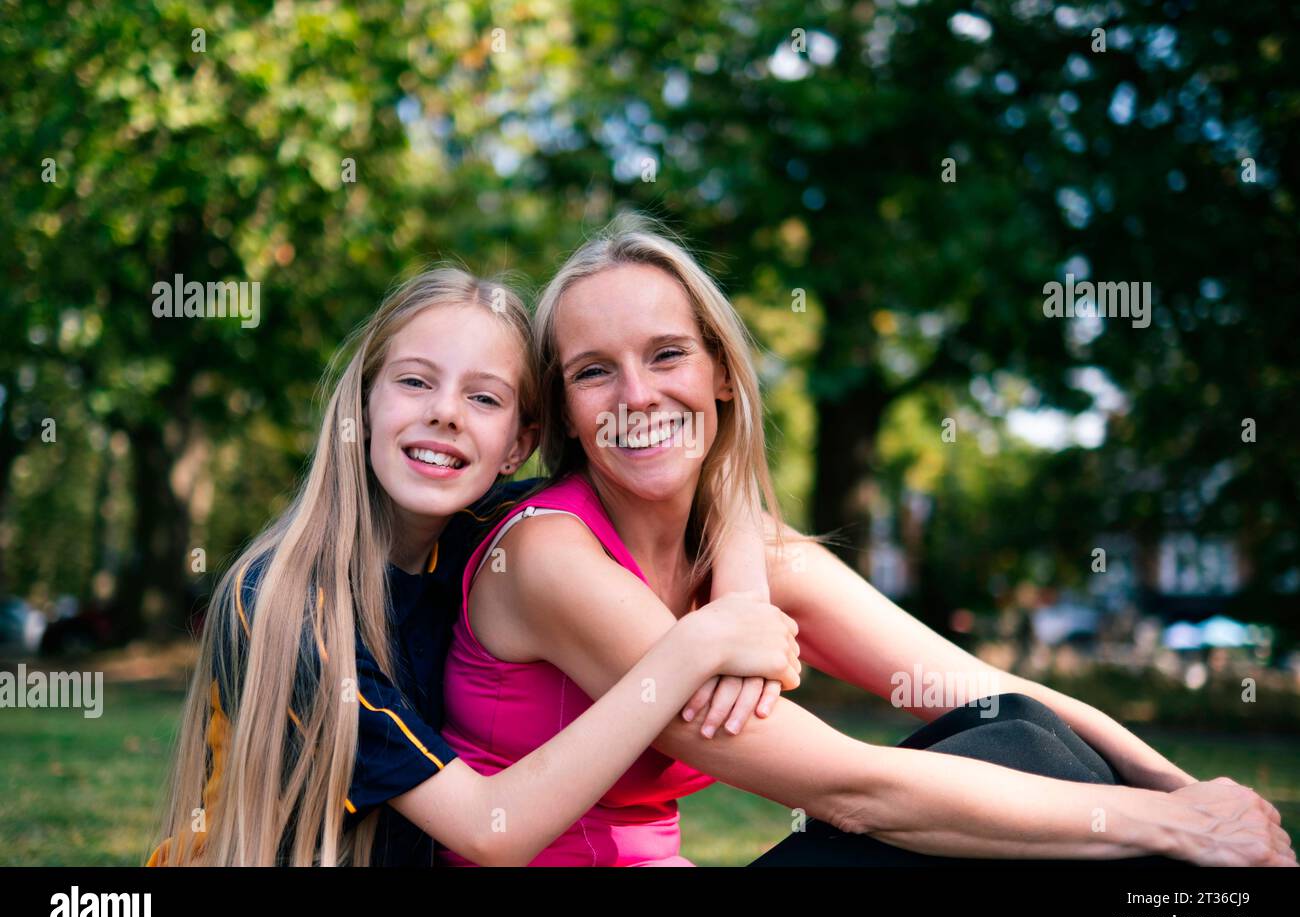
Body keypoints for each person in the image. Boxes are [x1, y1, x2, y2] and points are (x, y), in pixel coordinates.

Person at [439, 214, 1295, 867]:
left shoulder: (748, 548)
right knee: (1038, 764)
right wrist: (1174, 825)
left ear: (722, 376)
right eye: (594, 371)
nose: (635, 395)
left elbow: (989, 690)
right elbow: (854, 791)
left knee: (1021, 727)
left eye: (667, 355)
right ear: (564, 411)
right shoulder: (549, 556)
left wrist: (1208, 800)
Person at [147, 265, 800, 866]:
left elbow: (707, 489)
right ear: (362, 406)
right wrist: (697, 645)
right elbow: (489, 828)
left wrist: (742, 597)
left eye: (485, 399)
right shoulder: (283, 605)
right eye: (414, 381)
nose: (445, 412)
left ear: (517, 446)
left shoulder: (493, 532)